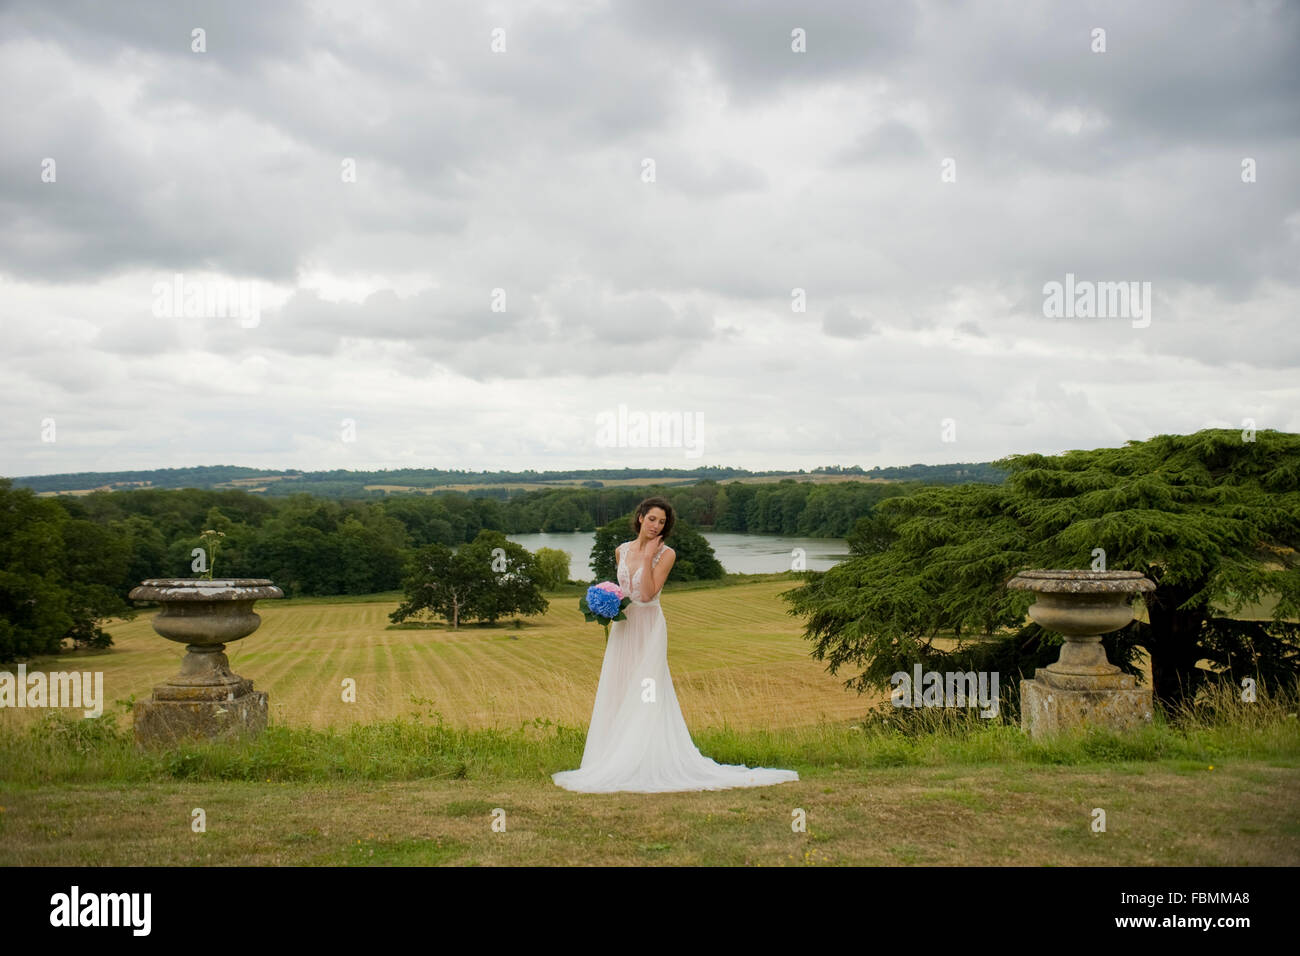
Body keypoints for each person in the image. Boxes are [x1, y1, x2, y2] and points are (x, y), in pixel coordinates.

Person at [552, 496, 799, 793]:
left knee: (646, 691)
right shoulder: (621, 550)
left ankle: (645, 761)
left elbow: (646, 594)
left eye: (662, 522)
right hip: (623, 627)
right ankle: (611, 758)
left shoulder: (666, 554)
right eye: (652, 519)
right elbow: (625, 590)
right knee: (619, 686)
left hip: (649, 626)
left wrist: (647, 559)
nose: (657, 526)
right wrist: (606, 603)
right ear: (641, 517)